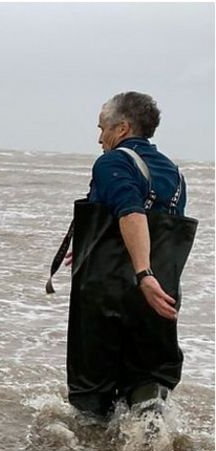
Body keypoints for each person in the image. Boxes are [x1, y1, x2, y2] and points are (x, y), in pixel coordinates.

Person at [61, 91, 197, 419]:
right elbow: (158, 225)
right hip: (160, 295)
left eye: (103, 128)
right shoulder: (173, 173)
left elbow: (131, 213)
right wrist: (91, 241)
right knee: (150, 376)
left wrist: (142, 274)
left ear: (122, 128)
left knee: (92, 392)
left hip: (110, 290)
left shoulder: (113, 161)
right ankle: (150, 446)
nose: (99, 138)